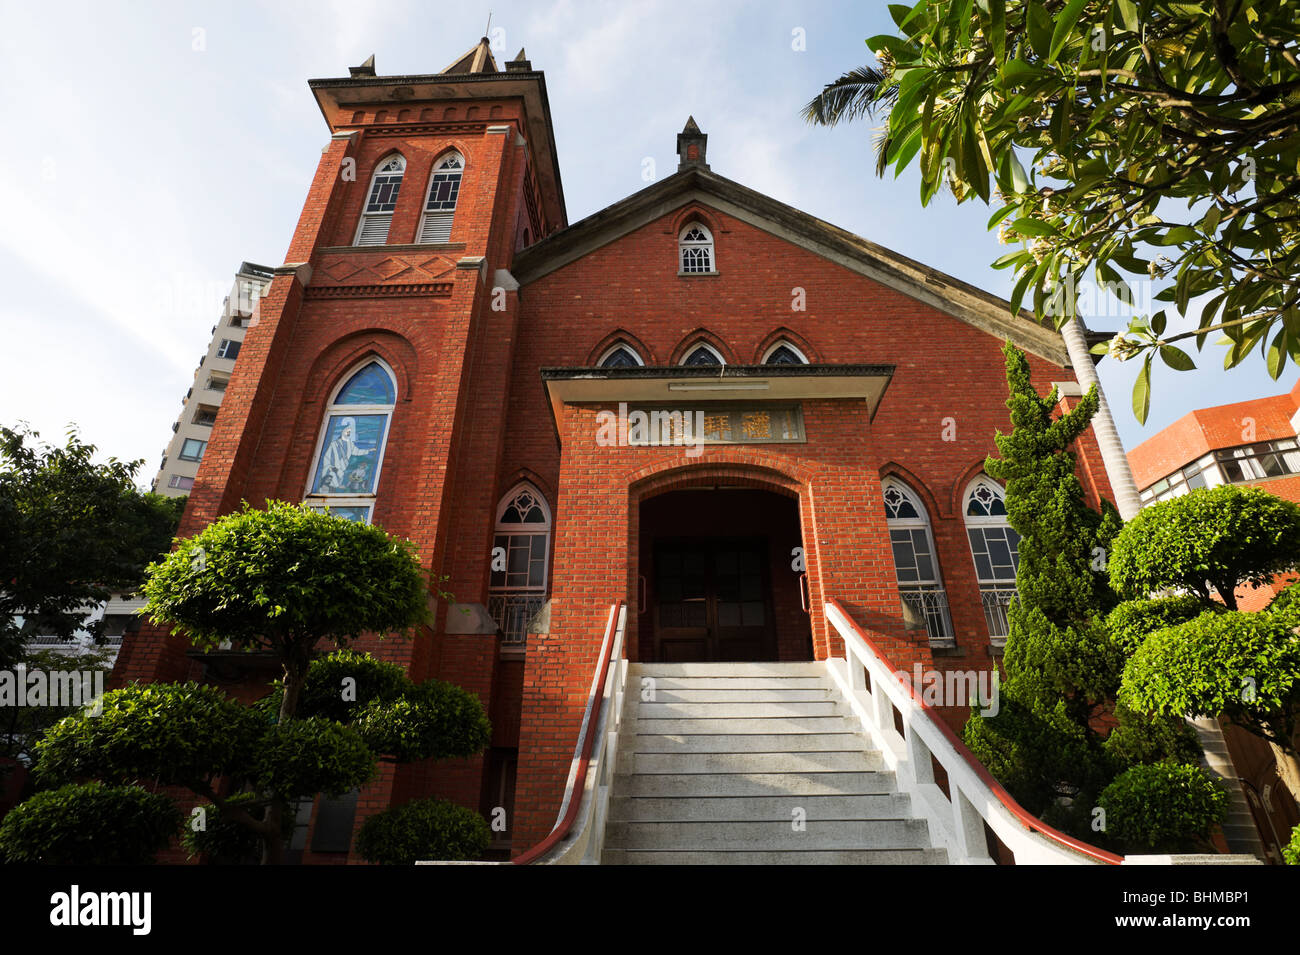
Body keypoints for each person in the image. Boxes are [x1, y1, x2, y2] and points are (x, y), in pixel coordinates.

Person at [317, 417, 375, 492]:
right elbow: (327, 456)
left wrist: (368, 450)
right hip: (333, 467)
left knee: (338, 479)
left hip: (342, 467)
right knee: (331, 480)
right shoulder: (334, 444)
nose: (348, 434)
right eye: (347, 432)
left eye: (349, 432)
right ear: (343, 432)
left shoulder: (350, 444)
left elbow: (357, 451)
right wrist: (330, 466)